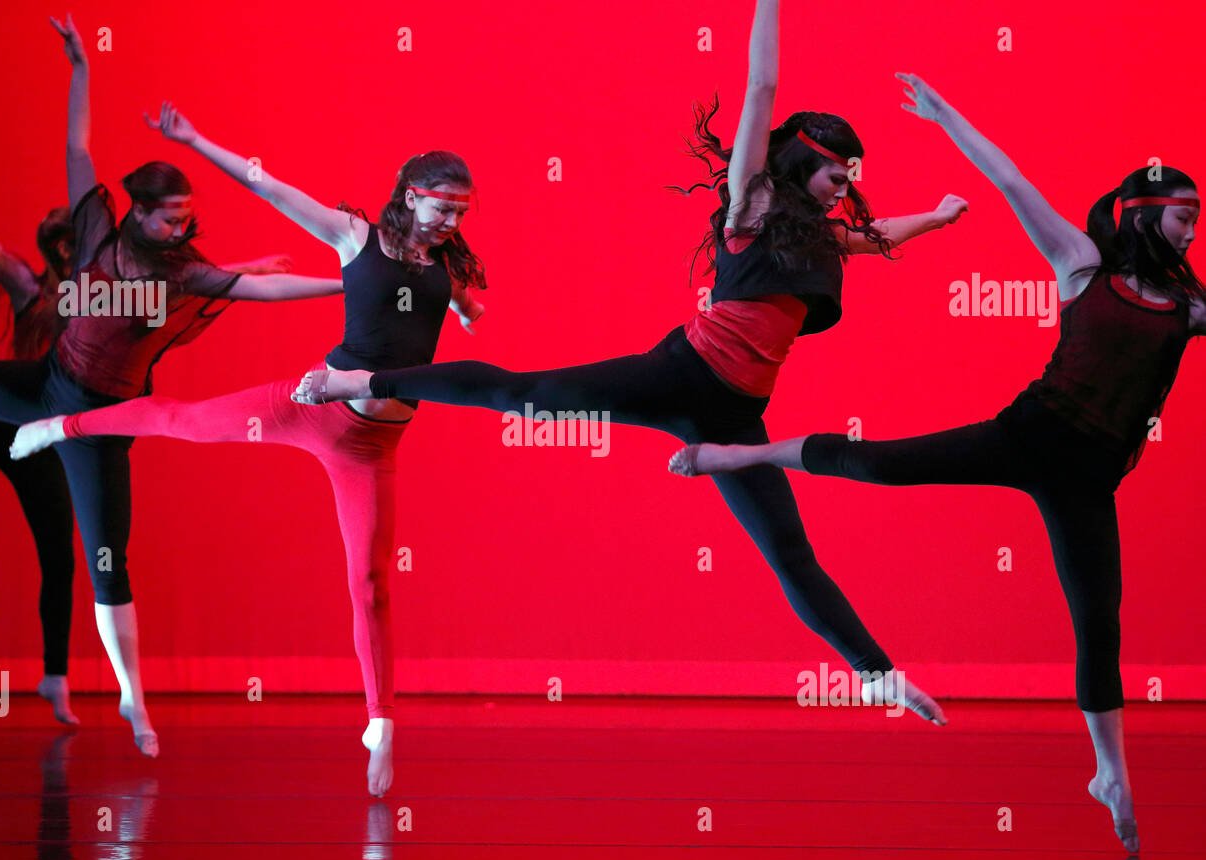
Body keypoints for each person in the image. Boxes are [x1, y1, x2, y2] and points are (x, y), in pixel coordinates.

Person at [289, 1, 965, 723]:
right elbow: (761, 88)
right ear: (801, 160)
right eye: (837, 175)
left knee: (789, 550)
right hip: (682, 373)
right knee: (528, 397)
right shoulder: (752, 202)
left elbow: (872, 237)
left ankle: (875, 673)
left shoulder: (819, 236)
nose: (848, 187)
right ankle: (354, 381)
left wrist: (938, 215)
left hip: (735, 414)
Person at [668, 72, 1205, 855]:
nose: (1194, 231)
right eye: (1184, 216)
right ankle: (737, 452)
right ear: (1147, 215)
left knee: (1099, 624)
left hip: (1089, 482)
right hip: (1025, 436)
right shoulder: (1083, 264)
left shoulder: (1190, 308)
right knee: (880, 466)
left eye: (1198, 218)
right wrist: (949, 113)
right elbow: (1011, 180)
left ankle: (1110, 773)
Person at [11, 101, 487, 797]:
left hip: (373, 446)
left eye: (461, 215)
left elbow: (459, 313)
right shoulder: (353, 236)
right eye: (444, 210)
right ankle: (60, 427)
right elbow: (269, 187)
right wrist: (194, 139)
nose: (452, 225)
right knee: (184, 419)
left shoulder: (448, 263)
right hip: (311, 407)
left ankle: (379, 723)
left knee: (371, 584)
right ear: (411, 197)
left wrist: (463, 307)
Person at [0, 14, 346, 756]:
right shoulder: (98, 229)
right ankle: (109, 692)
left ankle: (133, 702)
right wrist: (81, 63)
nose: (182, 229)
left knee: (108, 561)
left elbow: (264, 293)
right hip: (46, 387)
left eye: (186, 219)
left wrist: (346, 284)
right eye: (170, 219)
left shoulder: (185, 272)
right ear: (138, 212)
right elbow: (78, 145)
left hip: (101, 422)